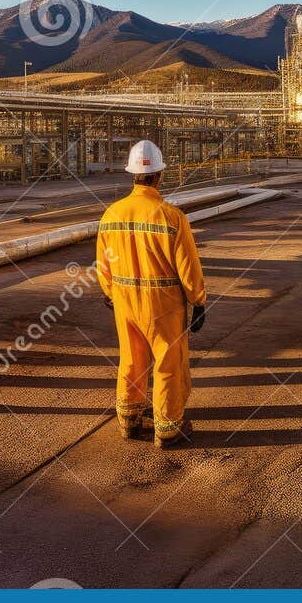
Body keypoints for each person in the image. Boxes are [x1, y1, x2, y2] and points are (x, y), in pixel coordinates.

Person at [95, 140, 208, 449]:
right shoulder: (171, 217)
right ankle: (168, 428)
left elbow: (102, 263)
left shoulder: (111, 214)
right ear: (159, 175)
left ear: (132, 175)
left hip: (125, 301)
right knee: (168, 363)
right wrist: (198, 301)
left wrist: (109, 292)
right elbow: (188, 267)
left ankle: (129, 420)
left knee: (131, 360)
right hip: (164, 305)